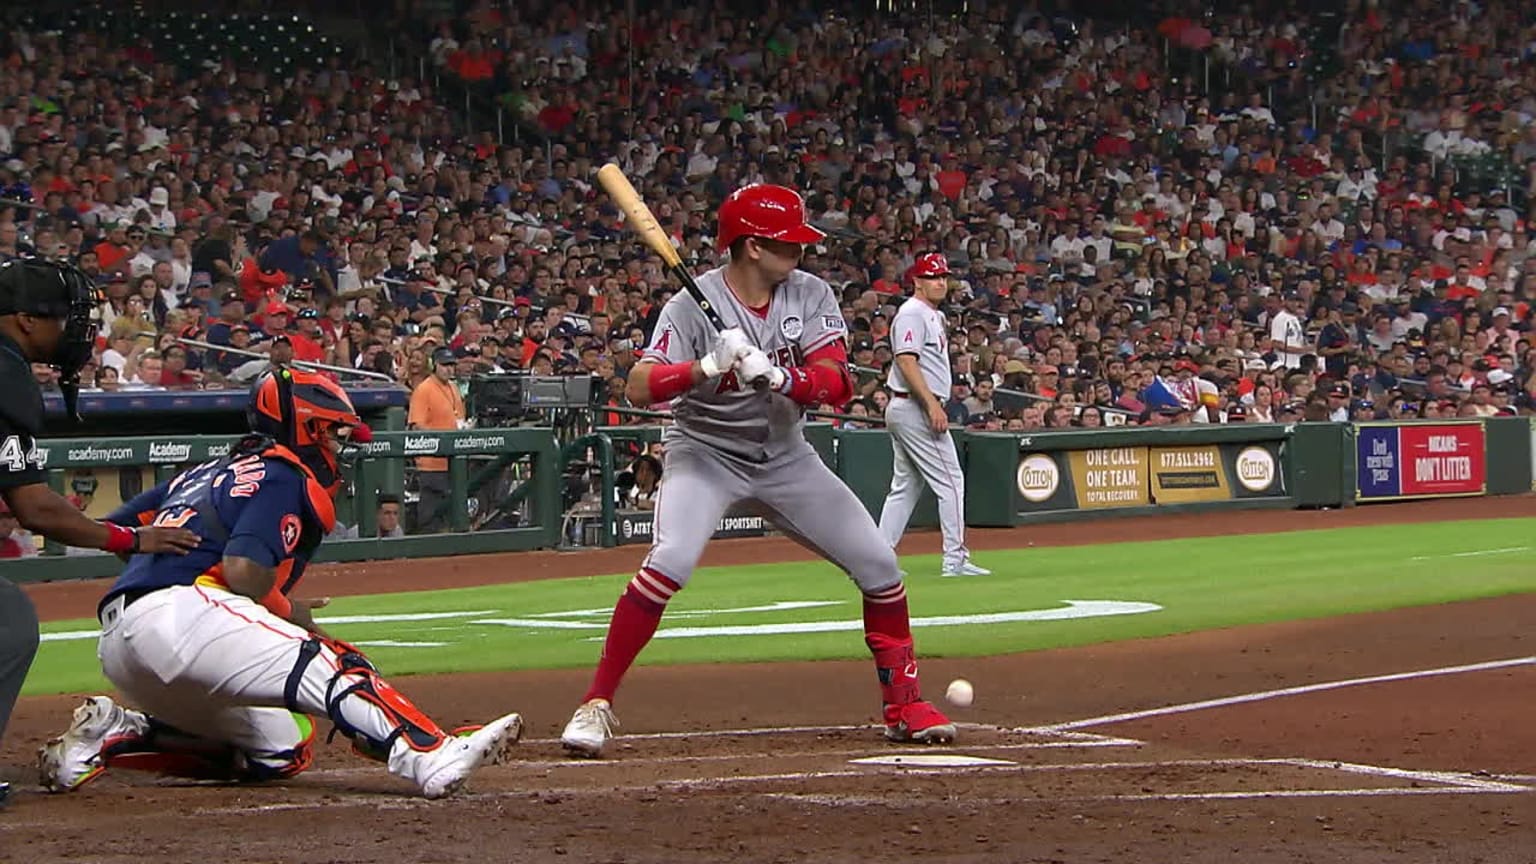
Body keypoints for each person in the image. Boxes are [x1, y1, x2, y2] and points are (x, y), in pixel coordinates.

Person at [558, 184, 956, 758]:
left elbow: (839, 381)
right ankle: (594, 703)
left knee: (880, 566)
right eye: (787, 242)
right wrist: (704, 366)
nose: (800, 250)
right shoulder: (689, 306)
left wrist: (784, 377)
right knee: (670, 560)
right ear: (751, 247)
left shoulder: (811, 293)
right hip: (705, 453)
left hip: (786, 455)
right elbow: (639, 387)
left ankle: (905, 705)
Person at [37, 368, 522, 799]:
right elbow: (243, 571)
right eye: (334, 433)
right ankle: (430, 755)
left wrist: (164, 553)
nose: (339, 446)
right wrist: (292, 612)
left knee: (280, 748)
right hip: (184, 614)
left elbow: (122, 529)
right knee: (335, 662)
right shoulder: (283, 472)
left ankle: (117, 733)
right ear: (307, 428)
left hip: (122, 645)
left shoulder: (202, 472)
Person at [0, 258, 200, 807]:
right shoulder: (5, 371)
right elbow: (36, 508)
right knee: (8, 622)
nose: (74, 331)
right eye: (63, 319)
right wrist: (131, 539)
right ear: (25, 320)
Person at [875, 253, 989, 577]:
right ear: (917, 281)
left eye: (942, 277)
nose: (940, 282)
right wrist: (931, 404)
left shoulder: (933, 315)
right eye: (932, 277)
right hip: (915, 406)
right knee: (951, 480)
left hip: (910, 406)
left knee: (906, 485)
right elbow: (906, 360)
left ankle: (878, 559)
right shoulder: (912, 312)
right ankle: (955, 559)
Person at [407, 347, 464, 533]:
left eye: (451, 365)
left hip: (454, 460)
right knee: (431, 514)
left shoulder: (454, 387)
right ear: (434, 365)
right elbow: (417, 426)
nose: (449, 369)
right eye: (444, 365)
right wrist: (441, 439)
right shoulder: (424, 389)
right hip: (431, 463)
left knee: (451, 512)